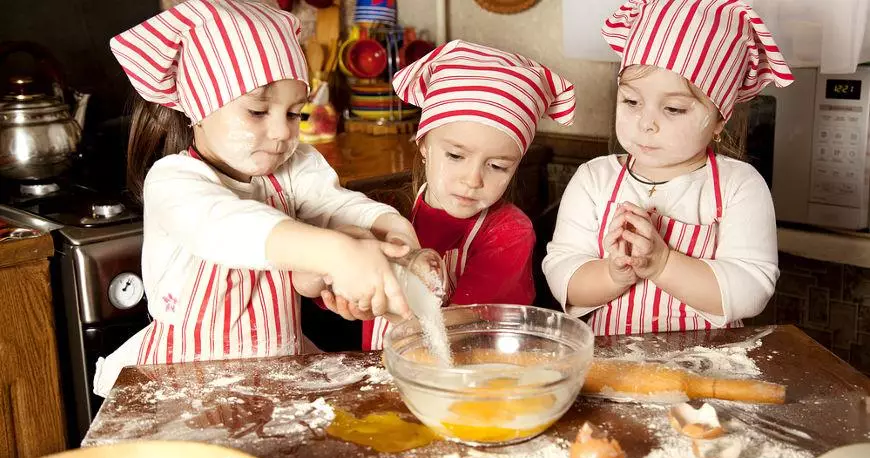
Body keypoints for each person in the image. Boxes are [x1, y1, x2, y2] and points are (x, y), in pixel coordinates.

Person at [93, 0, 417, 396]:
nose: (283, 132)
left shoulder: (295, 167)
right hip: (187, 389)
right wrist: (336, 252)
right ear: (200, 107)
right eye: (258, 111)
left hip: (277, 378)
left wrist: (391, 231)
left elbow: (335, 206)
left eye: (295, 113)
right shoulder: (173, 182)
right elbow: (227, 226)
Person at [544, 0, 793, 335]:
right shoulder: (594, 181)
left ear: (719, 119)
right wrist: (613, 274)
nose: (646, 123)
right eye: (631, 101)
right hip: (613, 368)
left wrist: (662, 264)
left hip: (710, 370)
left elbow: (752, 289)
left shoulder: (739, 186)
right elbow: (563, 277)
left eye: (673, 109)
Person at [355, 40, 576, 350]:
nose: (473, 180)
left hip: (474, 382)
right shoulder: (385, 211)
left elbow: (466, 320)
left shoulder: (510, 232)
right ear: (424, 146)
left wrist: (388, 303)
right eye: (456, 156)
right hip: (381, 377)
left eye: (497, 166)